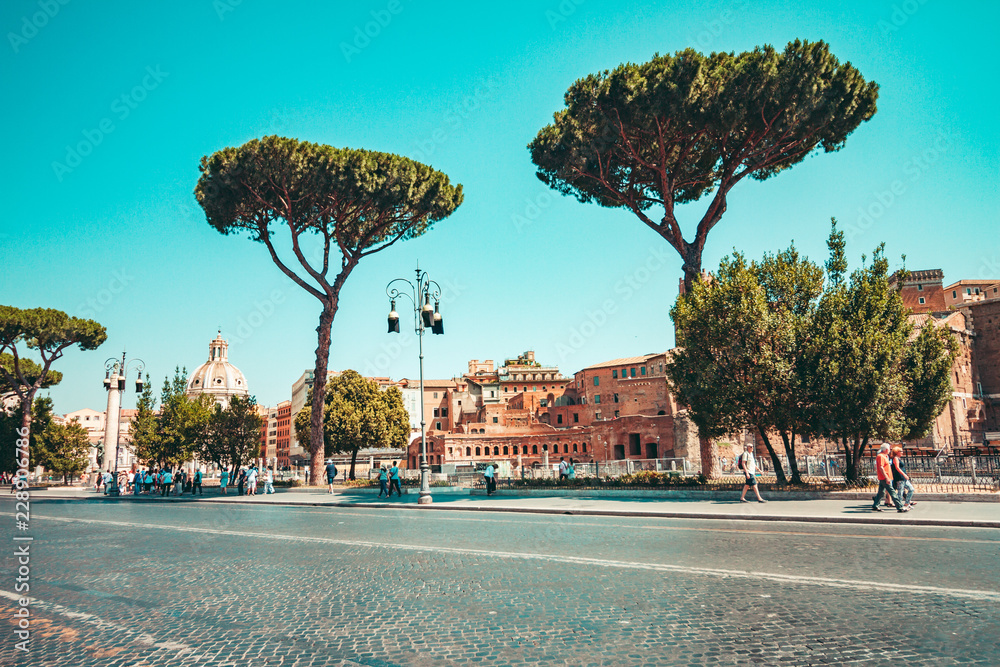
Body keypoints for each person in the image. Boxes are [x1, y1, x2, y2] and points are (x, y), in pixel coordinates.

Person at [872, 444, 907, 512]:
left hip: (885, 477)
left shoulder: (885, 456)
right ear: (886, 450)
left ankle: (875, 505)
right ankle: (900, 507)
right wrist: (887, 477)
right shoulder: (881, 456)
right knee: (892, 492)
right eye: (889, 450)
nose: (890, 451)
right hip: (885, 477)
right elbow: (881, 467)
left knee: (881, 492)